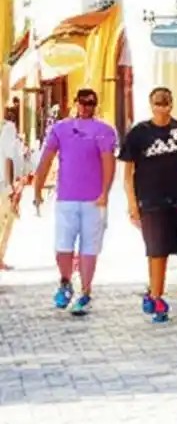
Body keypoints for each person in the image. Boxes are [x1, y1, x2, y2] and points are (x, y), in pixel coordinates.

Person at [27, 89, 116, 315]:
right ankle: (65, 282)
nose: (86, 107)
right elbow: (47, 158)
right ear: (75, 103)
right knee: (63, 246)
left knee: (89, 248)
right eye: (83, 103)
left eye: (91, 103)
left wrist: (105, 192)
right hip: (66, 198)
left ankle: (85, 291)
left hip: (93, 200)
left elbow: (108, 163)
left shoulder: (104, 131)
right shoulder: (60, 129)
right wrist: (37, 188)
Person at [119, 86, 177, 323]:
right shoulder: (139, 133)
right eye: (157, 102)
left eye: (165, 102)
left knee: (169, 247)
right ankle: (157, 297)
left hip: (175, 197)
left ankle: (155, 290)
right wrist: (132, 203)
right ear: (150, 104)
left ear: (172, 104)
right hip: (149, 198)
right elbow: (127, 172)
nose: (162, 107)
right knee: (156, 249)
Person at [0, 106, 19, 270]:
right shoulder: (8, 129)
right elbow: (8, 158)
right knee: (6, 220)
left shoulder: (7, 128)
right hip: (2, 182)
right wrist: (10, 185)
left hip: (2, 181)